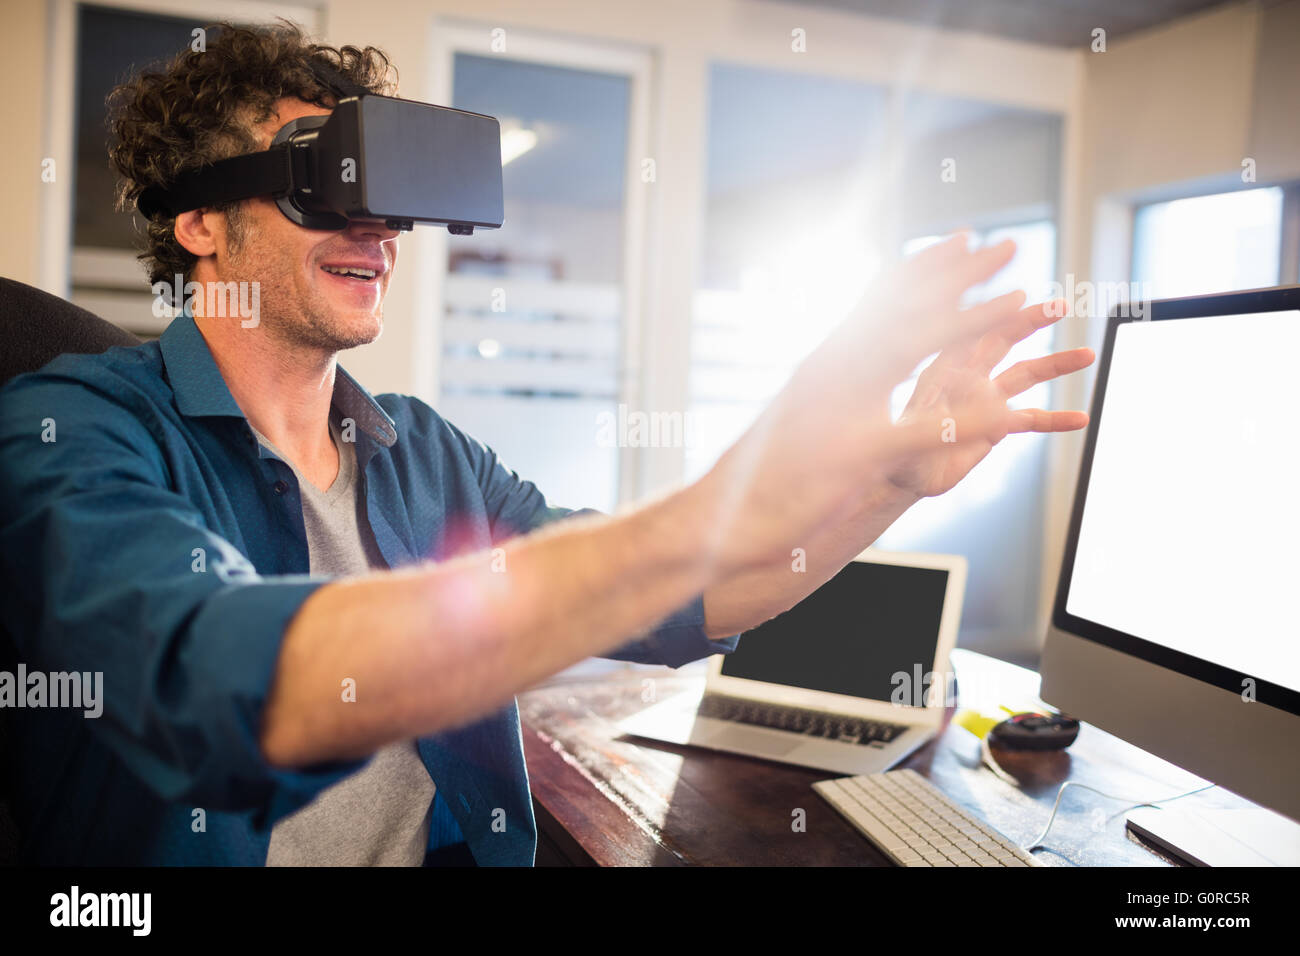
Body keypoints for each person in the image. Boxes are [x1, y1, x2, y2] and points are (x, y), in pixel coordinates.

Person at [0, 21, 1093, 866]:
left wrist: (885, 483)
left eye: (389, 193)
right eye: (323, 180)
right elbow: (216, 682)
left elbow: (685, 599)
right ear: (200, 222)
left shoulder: (420, 450)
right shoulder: (74, 431)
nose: (376, 229)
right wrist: (708, 508)